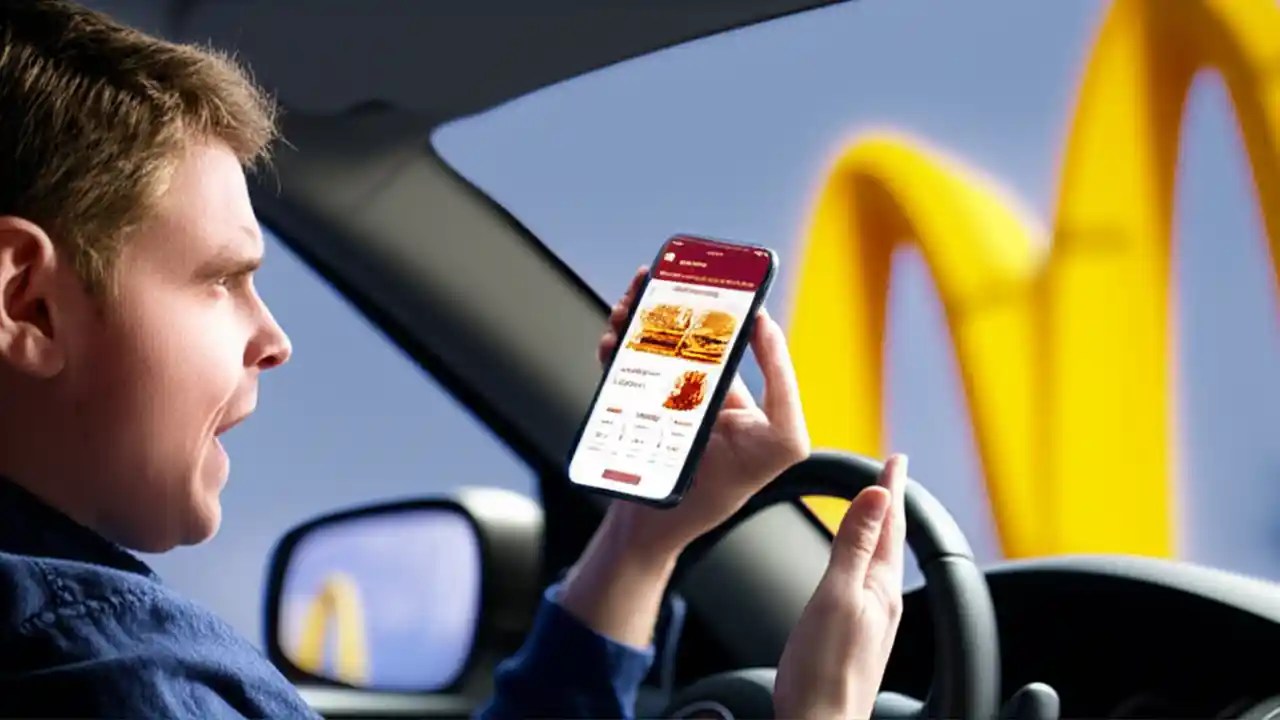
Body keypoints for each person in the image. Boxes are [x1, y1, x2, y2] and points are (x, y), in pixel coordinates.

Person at [0, 2, 907, 718]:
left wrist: (642, 539)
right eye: (221, 279)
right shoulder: (105, 673)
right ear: (27, 302)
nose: (273, 339)